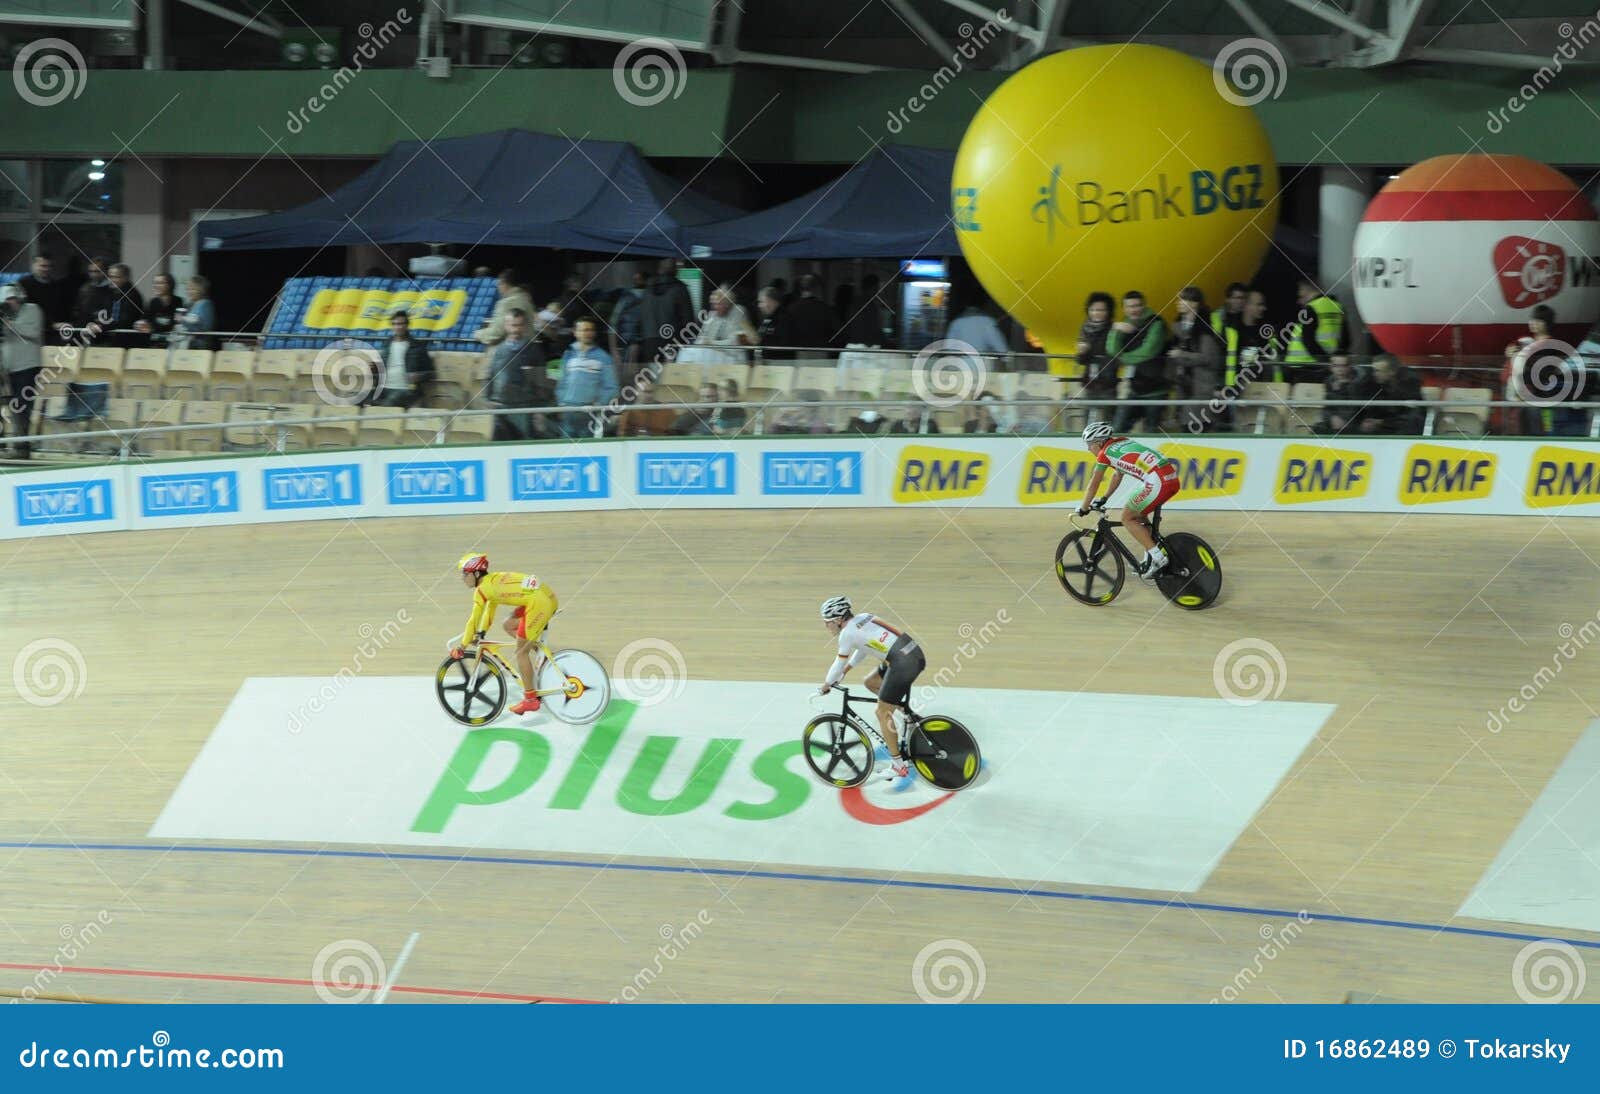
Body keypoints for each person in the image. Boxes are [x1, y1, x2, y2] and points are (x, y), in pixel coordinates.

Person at [817, 596, 926, 784]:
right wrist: (846, 671)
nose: (827, 627)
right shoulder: (864, 617)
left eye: (827, 623)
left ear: (837, 620)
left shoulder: (846, 633)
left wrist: (827, 684)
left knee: (882, 712)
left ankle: (898, 766)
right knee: (870, 681)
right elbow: (864, 647)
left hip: (902, 664)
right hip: (913, 654)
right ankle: (909, 716)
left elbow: (837, 663)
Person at [449, 553, 558, 717]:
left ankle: (530, 699)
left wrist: (462, 646)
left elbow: (474, 619)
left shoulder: (481, 590)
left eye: (465, 573)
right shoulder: (492, 581)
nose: (462, 578)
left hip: (538, 603)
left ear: (476, 573)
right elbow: (489, 611)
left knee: (521, 652)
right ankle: (544, 659)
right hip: (546, 597)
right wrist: (481, 633)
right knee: (508, 625)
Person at [1076, 421, 1182, 580]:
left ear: (1098, 443)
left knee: (1127, 517)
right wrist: (1104, 498)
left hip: (1157, 481)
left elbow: (1094, 483)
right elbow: (1117, 475)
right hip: (1171, 478)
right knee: (1139, 516)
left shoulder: (1104, 454)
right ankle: (1151, 557)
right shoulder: (1122, 441)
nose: (1088, 449)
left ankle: (1158, 558)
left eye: (1089, 445)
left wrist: (1084, 507)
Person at [1107, 291, 1168, 433]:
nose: (1133, 310)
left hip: (1156, 390)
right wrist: (1115, 330)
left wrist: (1123, 358)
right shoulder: (1124, 324)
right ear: (1124, 309)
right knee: (1118, 430)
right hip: (1133, 389)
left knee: (1152, 433)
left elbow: (1148, 351)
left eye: (1137, 306)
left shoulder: (1157, 323)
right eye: (1129, 307)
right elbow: (1111, 350)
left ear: (1144, 306)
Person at [1168, 286, 1226, 433]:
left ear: (1194, 303)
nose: (1179, 303)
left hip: (1200, 387)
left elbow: (1208, 358)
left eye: (1183, 300)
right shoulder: (1177, 327)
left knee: (1197, 428)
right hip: (1183, 385)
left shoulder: (1205, 329)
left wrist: (1181, 355)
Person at [487, 308, 550, 440]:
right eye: (513, 325)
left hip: (524, 407)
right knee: (500, 444)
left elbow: (541, 381)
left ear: (525, 326)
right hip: (501, 406)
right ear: (506, 326)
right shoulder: (499, 350)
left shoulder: (534, 350)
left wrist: (540, 407)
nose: (516, 329)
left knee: (522, 442)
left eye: (519, 325)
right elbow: (491, 374)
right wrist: (489, 397)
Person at [555, 317, 619, 438]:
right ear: (575, 332)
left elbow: (612, 387)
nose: (587, 333)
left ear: (594, 333)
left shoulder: (604, 357)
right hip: (568, 412)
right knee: (566, 449)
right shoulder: (567, 355)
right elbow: (561, 383)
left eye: (590, 330)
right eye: (584, 330)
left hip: (590, 414)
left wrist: (598, 404)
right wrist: (561, 405)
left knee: (587, 449)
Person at [2, 284, 45, 459]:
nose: (9, 303)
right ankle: (14, 445)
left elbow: (34, 333)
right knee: (13, 408)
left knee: (22, 407)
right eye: (5, 301)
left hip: (28, 366)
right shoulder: (4, 315)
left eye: (11, 299)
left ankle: (22, 447)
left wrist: (11, 324)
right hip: (9, 368)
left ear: (19, 298)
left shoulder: (33, 310)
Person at [1283, 277, 1348, 384]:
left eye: (1300, 295)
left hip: (1302, 366)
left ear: (1306, 290)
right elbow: (1346, 340)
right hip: (1325, 366)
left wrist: (1324, 361)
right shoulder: (1338, 306)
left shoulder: (1311, 308)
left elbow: (1308, 340)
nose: (1299, 301)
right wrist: (1332, 362)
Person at [368, 310, 433, 409]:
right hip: (384, 388)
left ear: (407, 325)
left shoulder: (417, 347)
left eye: (401, 324)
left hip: (406, 390)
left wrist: (419, 376)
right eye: (395, 324)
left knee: (389, 403)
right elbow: (381, 366)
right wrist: (375, 369)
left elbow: (431, 373)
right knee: (358, 397)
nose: (398, 327)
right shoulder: (387, 344)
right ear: (392, 326)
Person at [473, 269, 536, 348]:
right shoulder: (528, 302)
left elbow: (496, 333)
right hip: (529, 350)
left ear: (504, 283)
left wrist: (478, 334)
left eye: (499, 284)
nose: (498, 288)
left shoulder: (506, 303)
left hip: (509, 353)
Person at [1076, 292, 1117, 403]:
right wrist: (1082, 352)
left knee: (1106, 418)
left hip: (1108, 384)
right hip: (1090, 383)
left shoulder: (1114, 330)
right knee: (1087, 417)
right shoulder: (1085, 329)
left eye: (1101, 310)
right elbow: (1081, 361)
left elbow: (1116, 356)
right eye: (1092, 310)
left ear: (1109, 312)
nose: (1096, 313)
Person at [616, 372, 678, 436]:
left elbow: (675, 437)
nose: (649, 396)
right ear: (636, 393)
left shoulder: (667, 411)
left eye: (651, 392)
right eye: (645, 392)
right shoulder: (629, 413)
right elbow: (622, 438)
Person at [177, 276, 218, 352]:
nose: (189, 292)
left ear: (201, 290)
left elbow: (205, 328)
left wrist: (183, 321)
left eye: (192, 289)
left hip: (201, 348)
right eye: (187, 289)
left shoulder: (206, 304)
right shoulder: (189, 305)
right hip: (188, 346)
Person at [142, 273, 184, 345]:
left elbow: (178, 323)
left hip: (172, 344)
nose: (156, 286)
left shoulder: (178, 301)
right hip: (154, 344)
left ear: (169, 285)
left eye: (160, 283)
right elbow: (145, 321)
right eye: (155, 283)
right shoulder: (153, 302)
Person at [755, 286, 793, 360]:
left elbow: (784, 345)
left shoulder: (785, 318)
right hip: (766, 363)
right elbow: (761, 337)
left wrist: (762, 342)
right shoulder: (767, 319)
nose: (759, 306)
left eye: (761, 302)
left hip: (781, 365)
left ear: (771, 301)